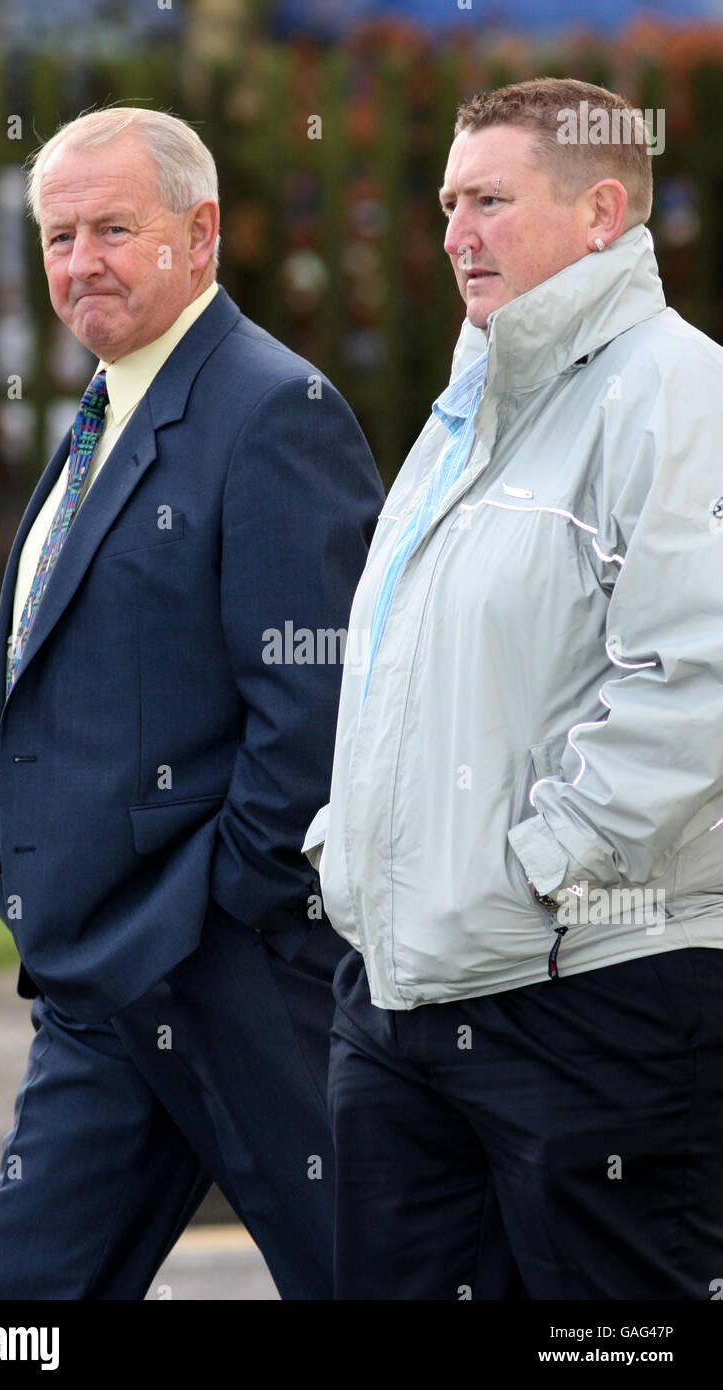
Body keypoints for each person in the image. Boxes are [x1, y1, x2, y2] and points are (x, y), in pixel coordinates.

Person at [305, 77, 723, 1299]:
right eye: (446, 202)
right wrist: (354, 860)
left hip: (590, 991)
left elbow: (691, 676)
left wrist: (546, 868)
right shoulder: (464, 408)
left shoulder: (676, 392)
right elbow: (402, 665)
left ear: (600, 210)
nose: (451, 235)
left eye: (487, 199)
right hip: (403, 997)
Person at [0, 107, 383, 1300]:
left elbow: (312, 719)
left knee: (365, 1275)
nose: (79, 260)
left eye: (111, 228)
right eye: (57, 236)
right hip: (103, 987)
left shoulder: (271, 413)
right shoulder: (105, 406)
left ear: (198, 235)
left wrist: (199, 915)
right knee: (13, 1302)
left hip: (230, 974)